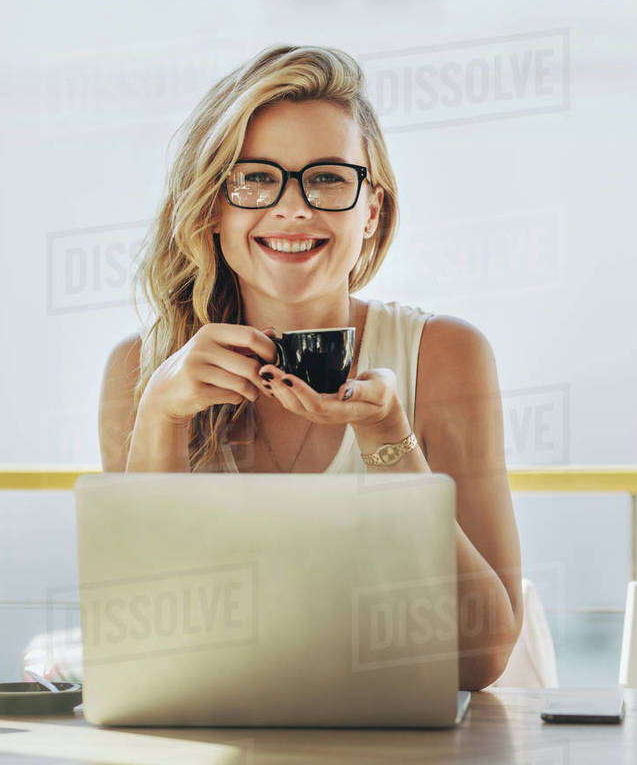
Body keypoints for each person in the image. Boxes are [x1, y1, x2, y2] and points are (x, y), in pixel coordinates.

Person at [97, 44, 522, 690]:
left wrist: (388, 440)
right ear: (213, 207)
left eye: (326, 178)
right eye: (254, 178)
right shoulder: (141, 370)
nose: (293, 208)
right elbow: (140, 643)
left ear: (371, 210)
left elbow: (480, 658)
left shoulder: (444, 355)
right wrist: (160, 418)